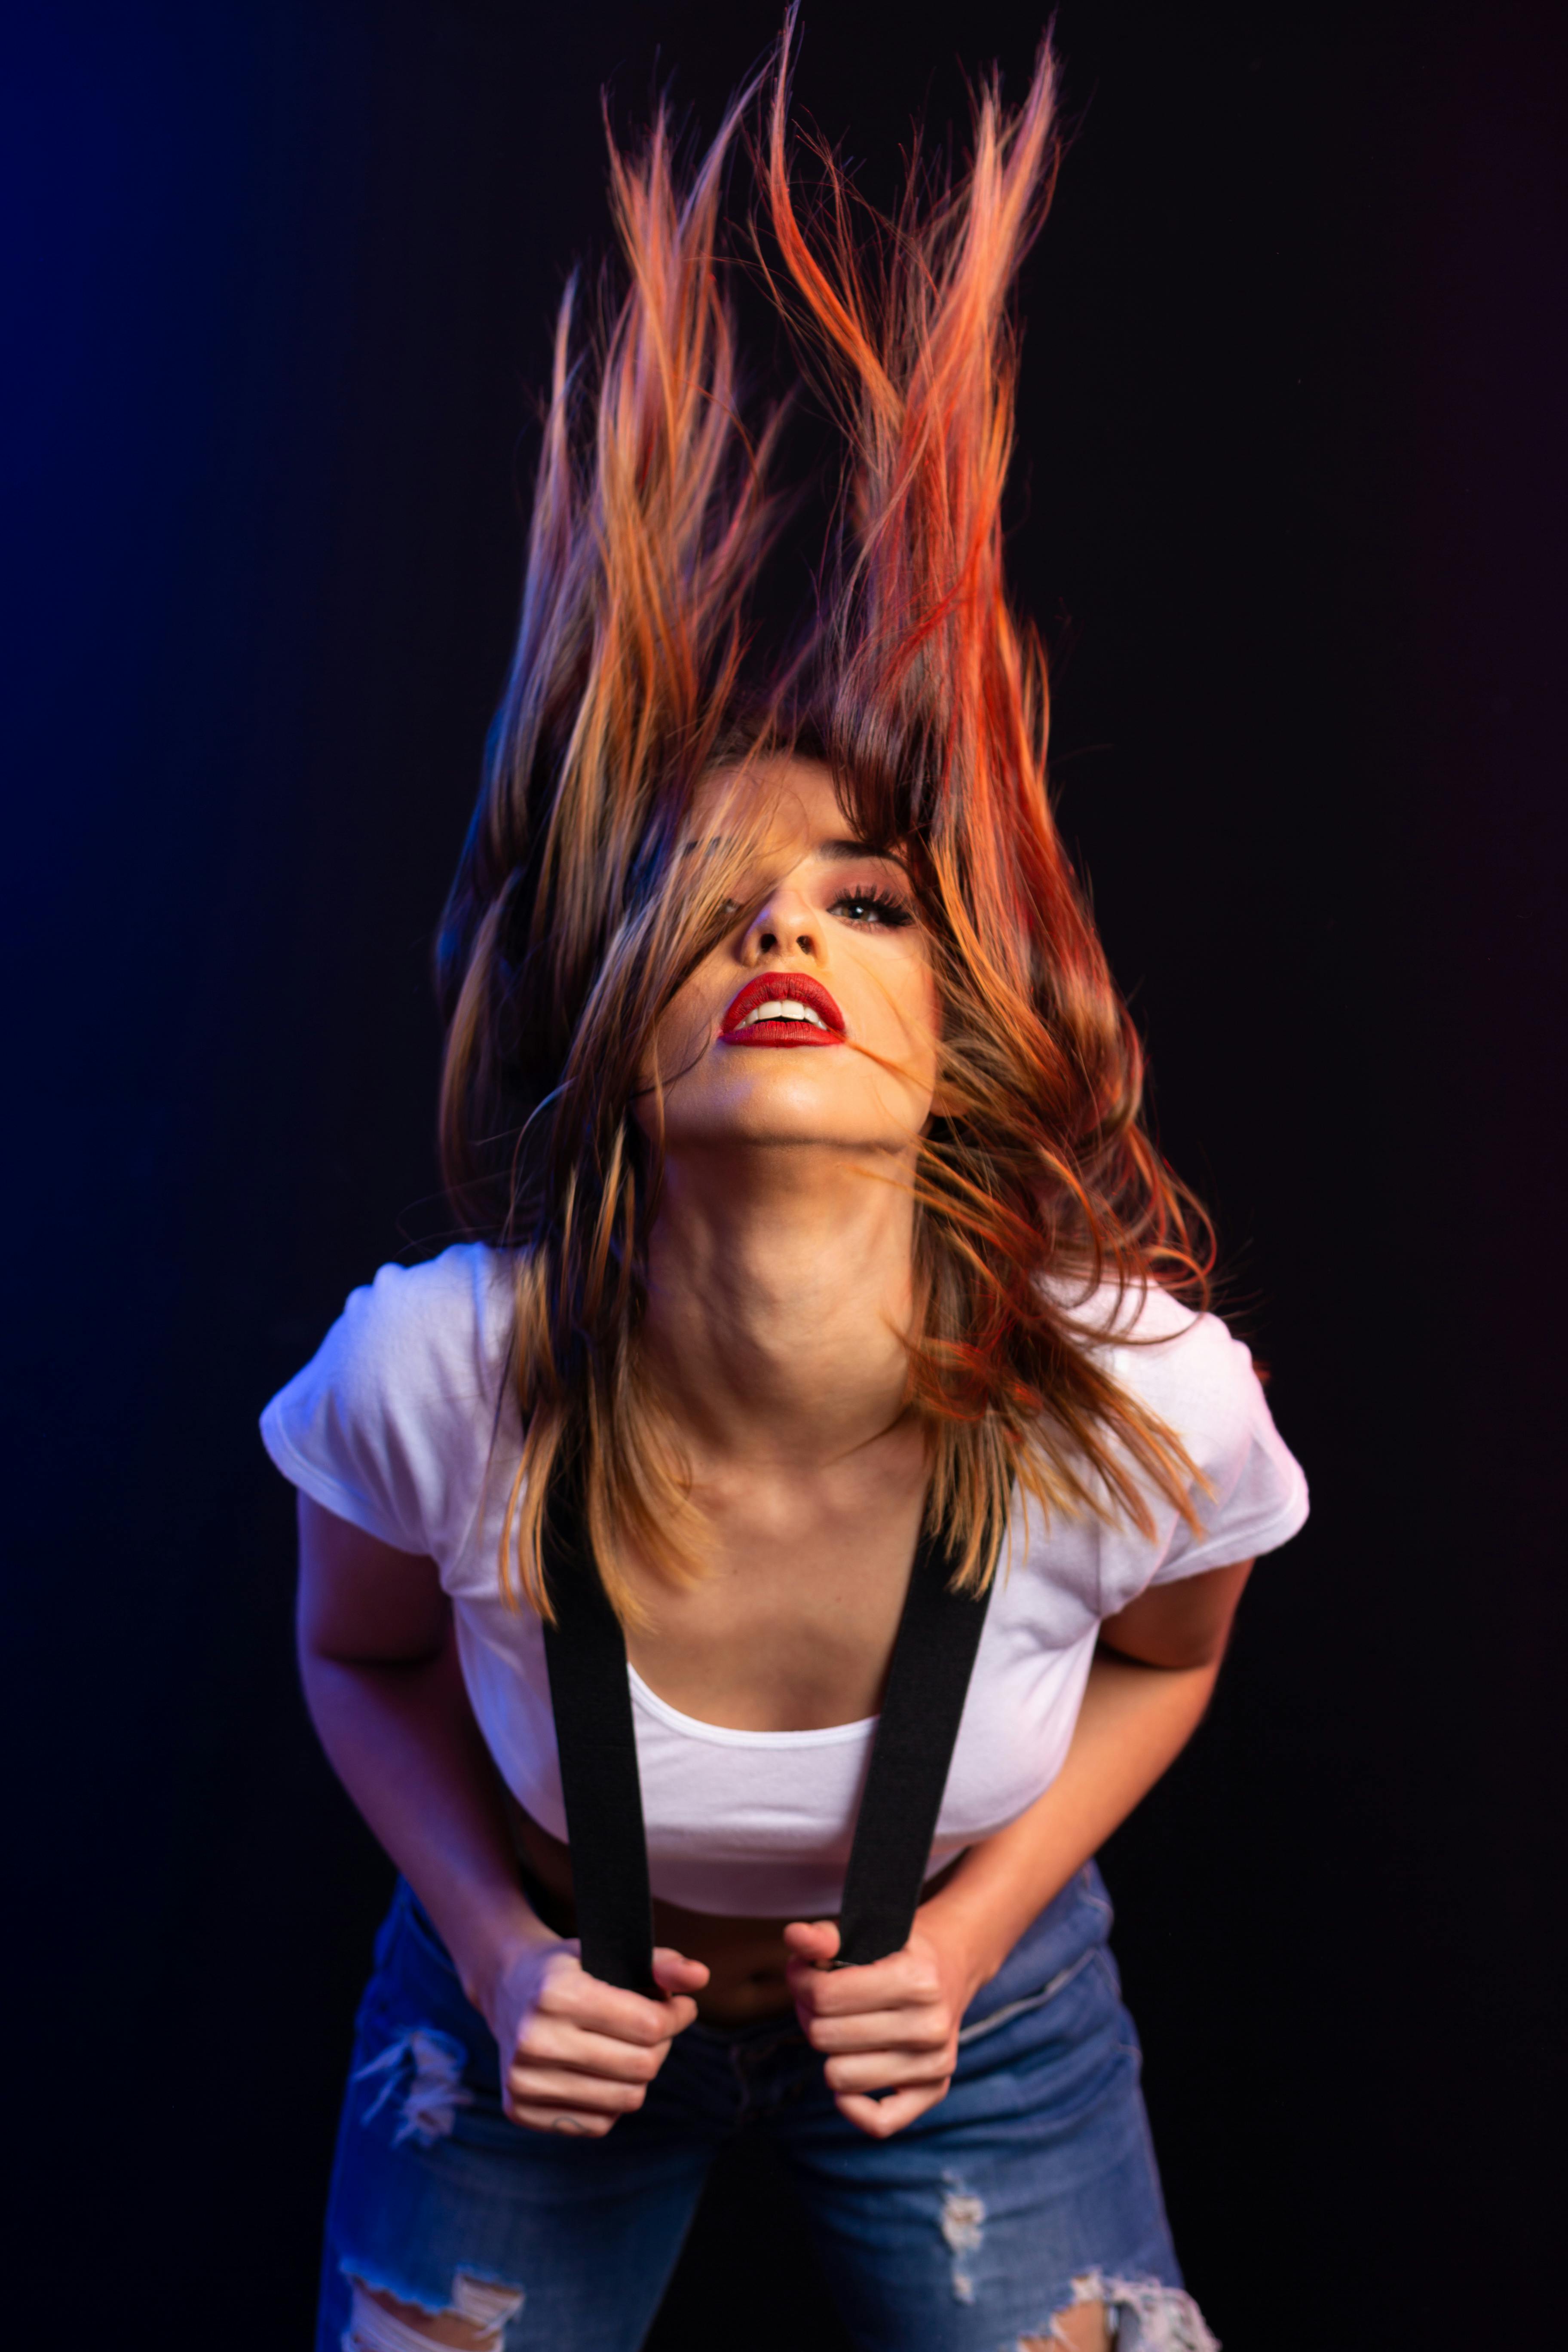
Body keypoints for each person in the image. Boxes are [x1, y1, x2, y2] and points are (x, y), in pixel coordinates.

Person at [262, 30, 1306, 2352]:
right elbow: (358, 1653)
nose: (783, 939)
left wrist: (967, 1933)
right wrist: (501, 1942)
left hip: (982, 2031)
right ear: (625, 1022)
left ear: (950, 1037)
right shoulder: (442, 1368)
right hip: (526, 2029)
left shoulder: (1129, 1394)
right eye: (717, 903)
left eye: (862, 906)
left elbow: (1168, 1661)